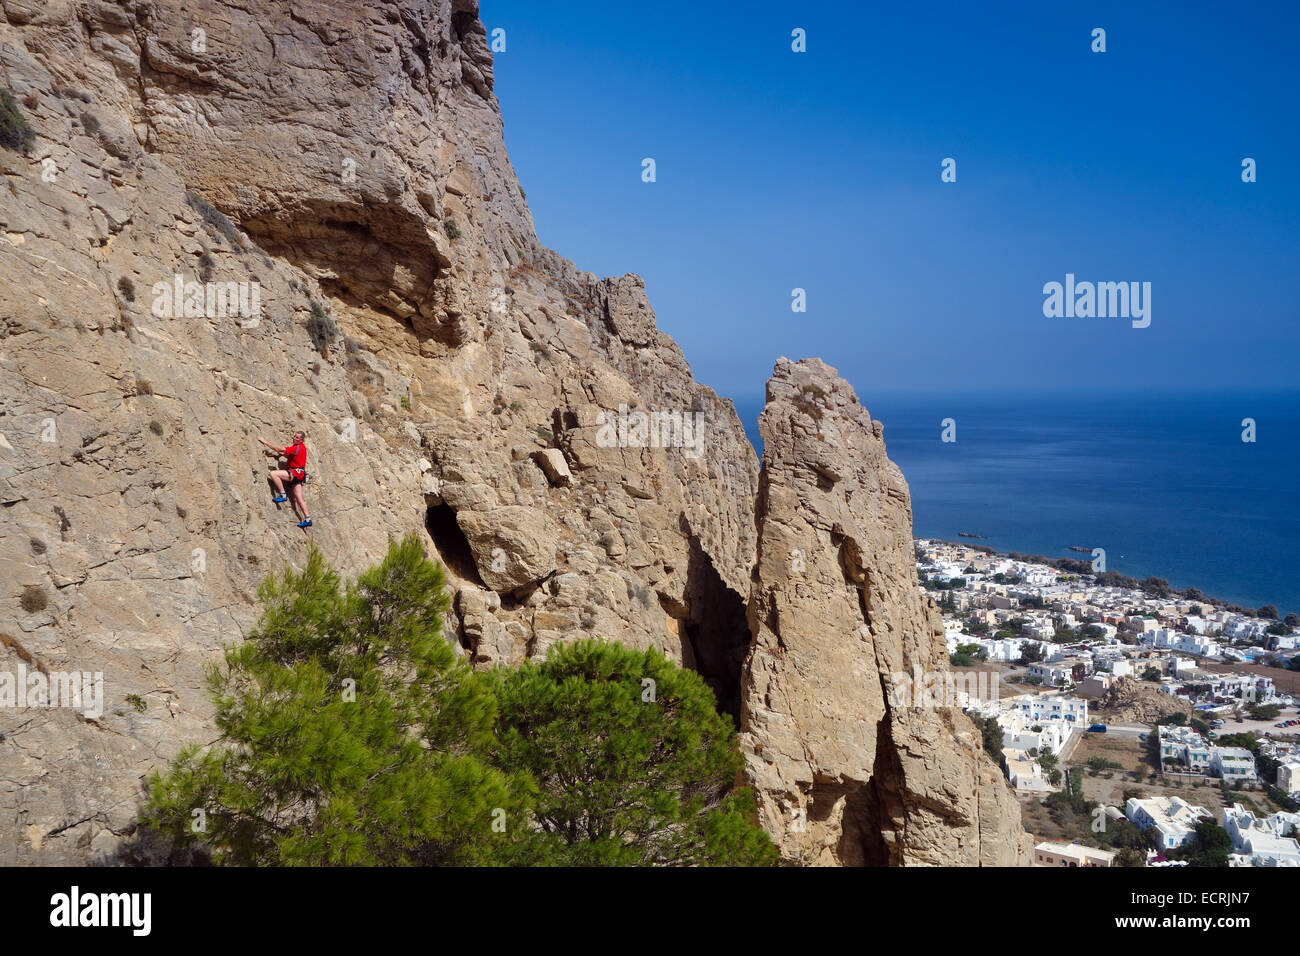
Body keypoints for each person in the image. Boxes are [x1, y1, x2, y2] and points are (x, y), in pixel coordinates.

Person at [258, 430, 312, 528]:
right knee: (299, 497)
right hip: (299, 474)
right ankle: (308, 519)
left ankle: (283, 495)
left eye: (297, 437)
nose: (294, 438)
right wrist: (280, 453)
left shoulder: (297, 447)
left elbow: (282, 449)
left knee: (274, 474)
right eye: (294, 436)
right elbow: (288, 455)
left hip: (295, 473)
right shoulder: (300, 448)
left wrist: (265, 442)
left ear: (301, 440)